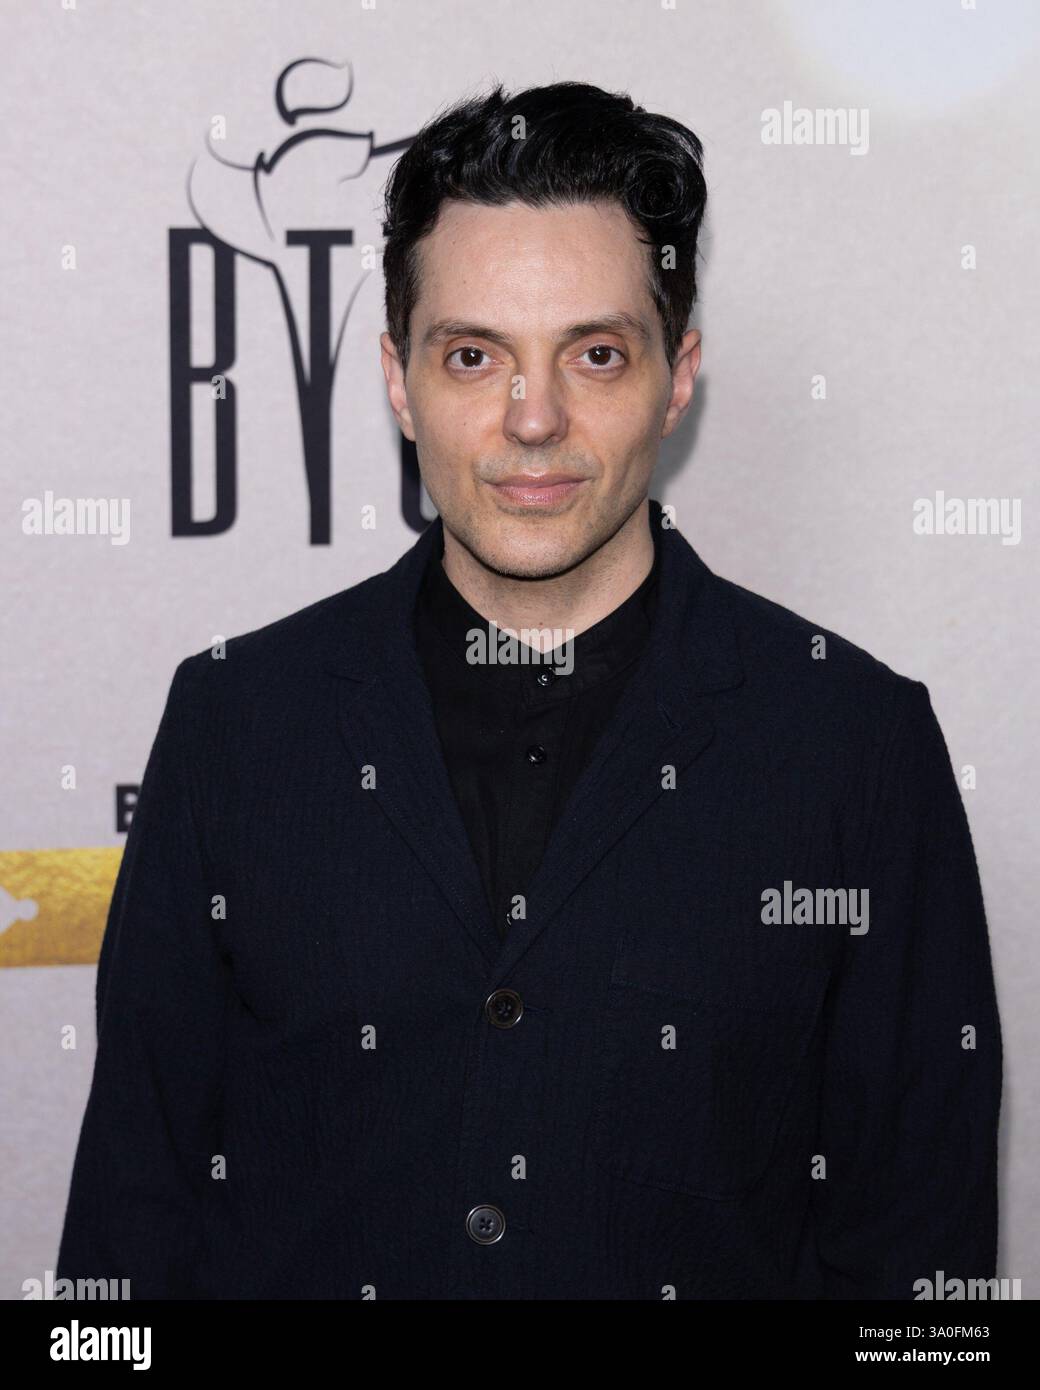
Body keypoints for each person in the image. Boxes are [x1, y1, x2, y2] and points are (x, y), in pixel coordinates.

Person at [57, 81, 1002, 1299]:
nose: (534, 417)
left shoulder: (854, 744)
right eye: (472, 355)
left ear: (678, 375)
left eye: (595, 354)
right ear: (398, 379)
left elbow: (913, 1268)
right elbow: (133, 1233)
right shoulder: (237, 722)